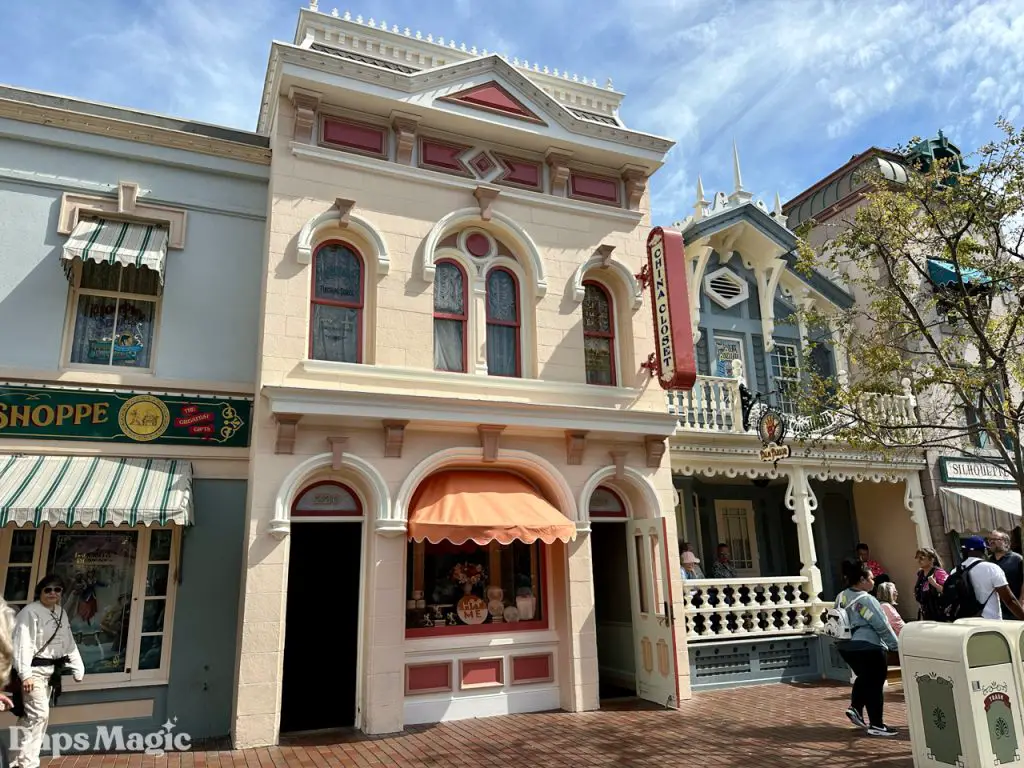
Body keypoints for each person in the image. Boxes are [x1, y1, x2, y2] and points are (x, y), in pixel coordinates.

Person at [10, 575, 85, 768]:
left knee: (31, 717)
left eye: (57, 589)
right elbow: (22, 645)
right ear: (40, 592)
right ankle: (28, 763)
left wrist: (77, 665)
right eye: (48, 589)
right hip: (33, 671)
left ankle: (17, 759)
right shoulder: (29, 612)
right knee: (40, 715)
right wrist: (25, 674)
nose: (53, 593)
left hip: (51, 672)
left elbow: (68, 640)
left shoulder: (61, 612)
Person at [834, 558, 900, 737]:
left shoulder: (841, 596)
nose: (874, 581)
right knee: (875, 684)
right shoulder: (867, 600)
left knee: (865, 678)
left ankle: (856, 708)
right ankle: (876, 724)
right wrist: (897, 647)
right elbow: (881, 625)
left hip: (846, 646)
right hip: (868, 646)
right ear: (862, 580)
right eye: (871, 578)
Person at [943, 536, 1024, 620]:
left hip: (965, 622)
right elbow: (1009, 600)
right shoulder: (991, 568)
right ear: (983, 550)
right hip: (990, 622)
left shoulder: (955, 571)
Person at [988, 529, 1024, 620]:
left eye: (995, 539)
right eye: (990, 539)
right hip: (994, 611)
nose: (992, 541)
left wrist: (1021, 602)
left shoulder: (1017, 559)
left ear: (1006, 542)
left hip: (1015, 608)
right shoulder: (988, 562)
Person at [913, 547, 948, 621]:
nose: (919, 561)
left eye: (922, 558)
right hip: (926, 613)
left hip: (939, 613)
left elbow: (947, 590)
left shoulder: (938, 572)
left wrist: (934, 584)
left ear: (932, 559)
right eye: (917, 558)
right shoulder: (920, 574)